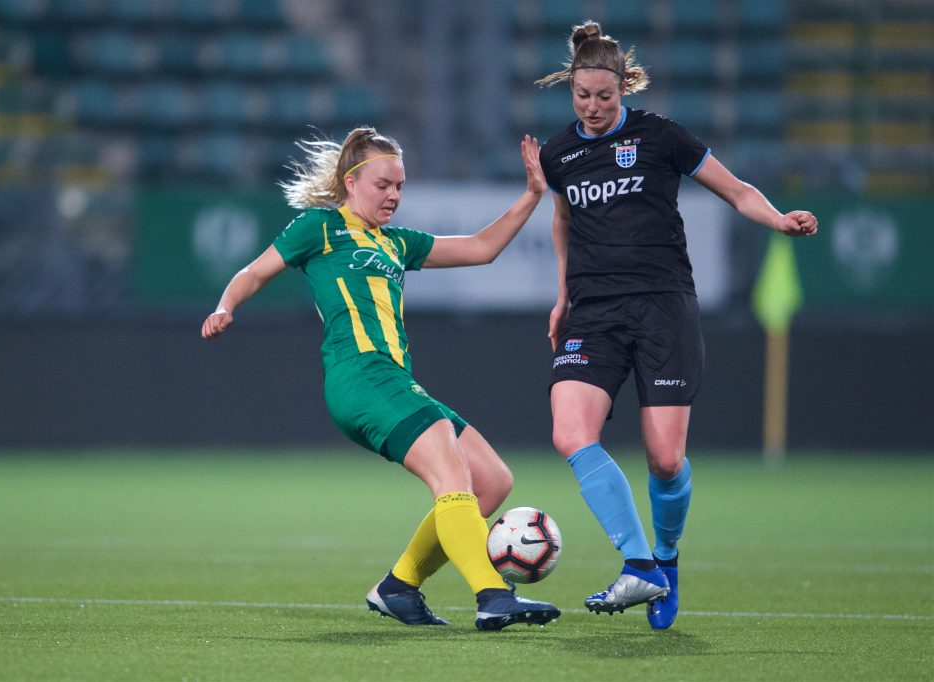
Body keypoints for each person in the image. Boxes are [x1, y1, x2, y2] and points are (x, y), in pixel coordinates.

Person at [202, 127, 561, 631]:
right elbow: (255, 272)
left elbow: (482, 248)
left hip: (392, 378)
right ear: (351, 182)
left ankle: (398, 588)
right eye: (383, 185)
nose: (393, 195)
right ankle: (492, 594)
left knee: (493, 482)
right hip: (360, 376)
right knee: (452, 478)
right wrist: (225, 305)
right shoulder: (321, 227)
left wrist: (531, 196)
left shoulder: (396, 242)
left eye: (400, 186)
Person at [535, 21, 818, 630]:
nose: (591, 107)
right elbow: (562, 221)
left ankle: (666, 560)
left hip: (664, 306)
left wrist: (778, 220)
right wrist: (562, 296)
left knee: (665, 459)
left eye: (603, 97)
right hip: (592, 311)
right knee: (569, 433)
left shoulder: (660, 136)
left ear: (623, 87)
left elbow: (735, 189)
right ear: (572, 90)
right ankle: (638, 564)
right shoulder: (560, 153)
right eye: (581, 96)